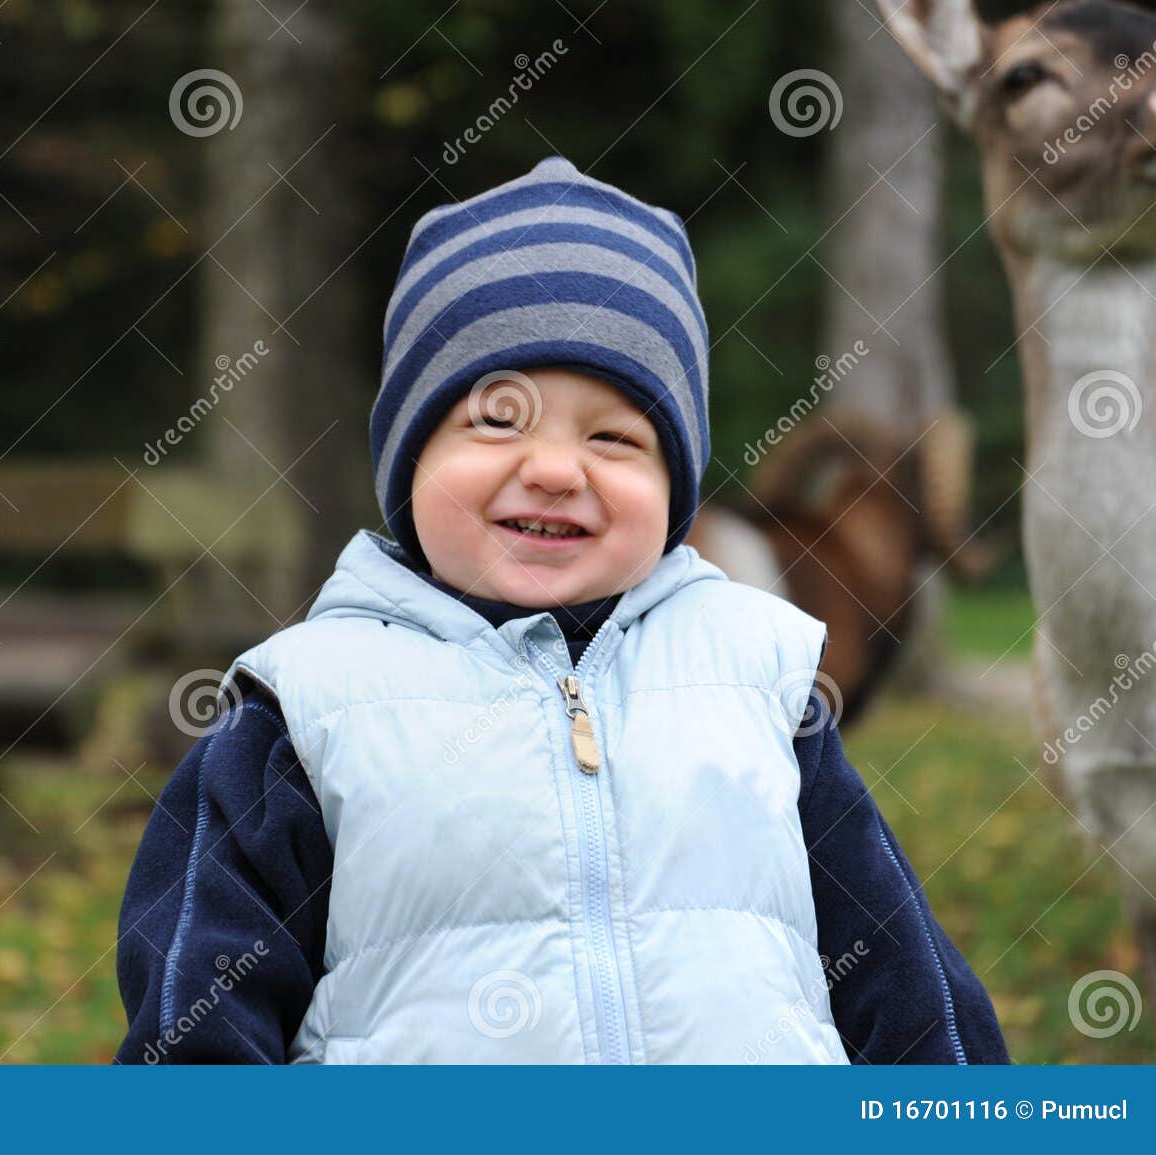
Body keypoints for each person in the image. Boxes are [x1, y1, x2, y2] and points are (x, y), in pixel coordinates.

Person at [114, 156, 1009, 1065]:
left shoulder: (760, 684)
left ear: (675, 487)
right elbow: (197, 1017)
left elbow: (904, 979)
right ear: (410, 457)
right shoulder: (308, 705)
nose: (553, 468)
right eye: (498, 419)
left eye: (614, 437)